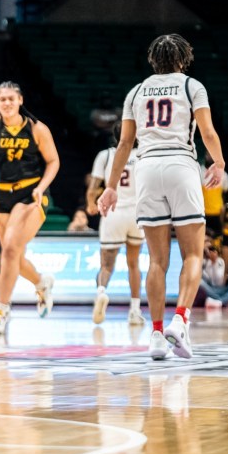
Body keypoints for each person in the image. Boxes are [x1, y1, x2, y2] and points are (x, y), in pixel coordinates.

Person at [98, 33, 225, 361]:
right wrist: (219, 161)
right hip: (181, 165)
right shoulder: (191, 86)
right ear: (183, 59)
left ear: (153, 60)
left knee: (156, 260)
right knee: (192, 254)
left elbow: (125, 145)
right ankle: (180, 319)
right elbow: (207, 131)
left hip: (147, 168)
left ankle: (155, 334)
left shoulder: (136, 91)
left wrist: (110, 187)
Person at [0, 82, 59, 334]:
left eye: (11, 99)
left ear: (20, 100)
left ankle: (1, 312)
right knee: (14, 257)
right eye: (2, 100)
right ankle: (42, 283)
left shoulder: (37, 129)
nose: (7, 103)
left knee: (9, 248)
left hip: (30, 193)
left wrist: (42, 187)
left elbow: (53, 161)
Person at [85, 122, 144, 325]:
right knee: (134, 264)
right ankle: (135, 311)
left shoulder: (106, 155)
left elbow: (93, 188)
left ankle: (101, 291)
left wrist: (91, 204)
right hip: (137, 213)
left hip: (113, 212)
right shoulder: (143, 155)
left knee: (107, 265)